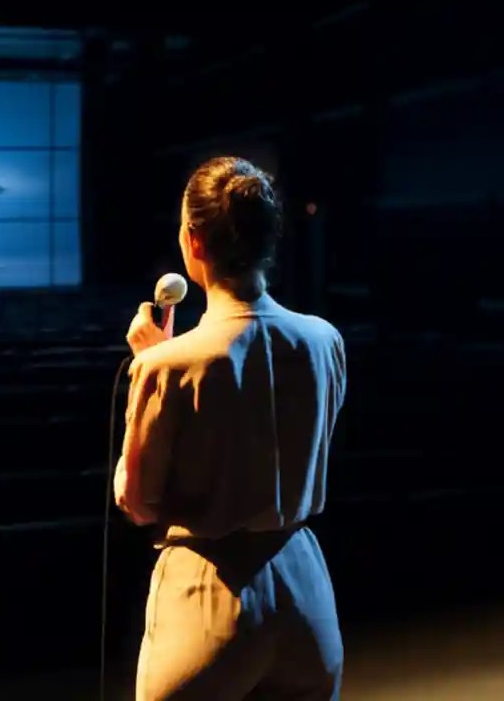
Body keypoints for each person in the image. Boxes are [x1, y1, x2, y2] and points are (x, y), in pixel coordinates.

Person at [115, 157, 347, 700]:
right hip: (307, 594)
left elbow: (139, 502)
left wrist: (153, 370)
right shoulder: (325, 339)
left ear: (194, 243)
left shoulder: (166, 365)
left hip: (208, 594)